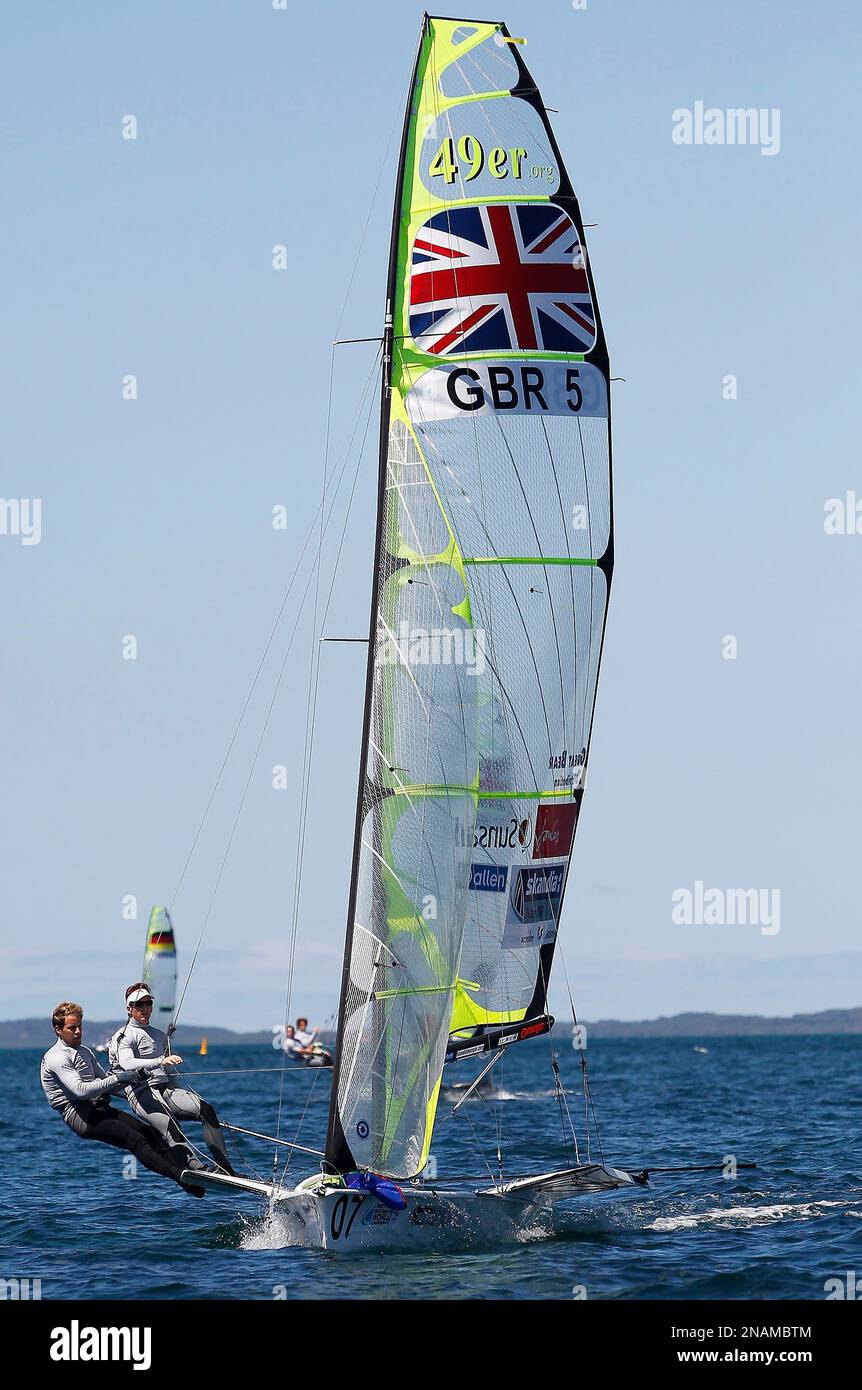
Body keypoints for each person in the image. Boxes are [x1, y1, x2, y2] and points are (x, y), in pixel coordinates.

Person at [40, 1001, 204, 1197]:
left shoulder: (84, 1051)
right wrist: (119, 1078)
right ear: (58, 1030)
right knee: (135, 1140)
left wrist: (137, 1080)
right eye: (72, 1028)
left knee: (149, 1132)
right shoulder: (57, 1057)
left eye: (80, 1026)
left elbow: (108, 1084)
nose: (78, 1031)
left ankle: (189, 1172)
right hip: (80, 1115)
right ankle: (181, 1177)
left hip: (99, 1108)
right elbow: (81, 1091)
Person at [108, 983, 235, 1175]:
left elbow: (168, 1071)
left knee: (206, 1110)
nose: (145, 1008)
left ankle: (226, 1170)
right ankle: (198, 1170)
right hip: (142, 1094)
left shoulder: (159, 1036)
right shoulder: (124, 1035)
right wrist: (160, 1060)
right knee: (171, 1127)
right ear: (129, 1009)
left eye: (148, 1003)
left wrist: (175, 1080)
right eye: (139, 1005)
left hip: (165, 1090)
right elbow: (127, 1063)